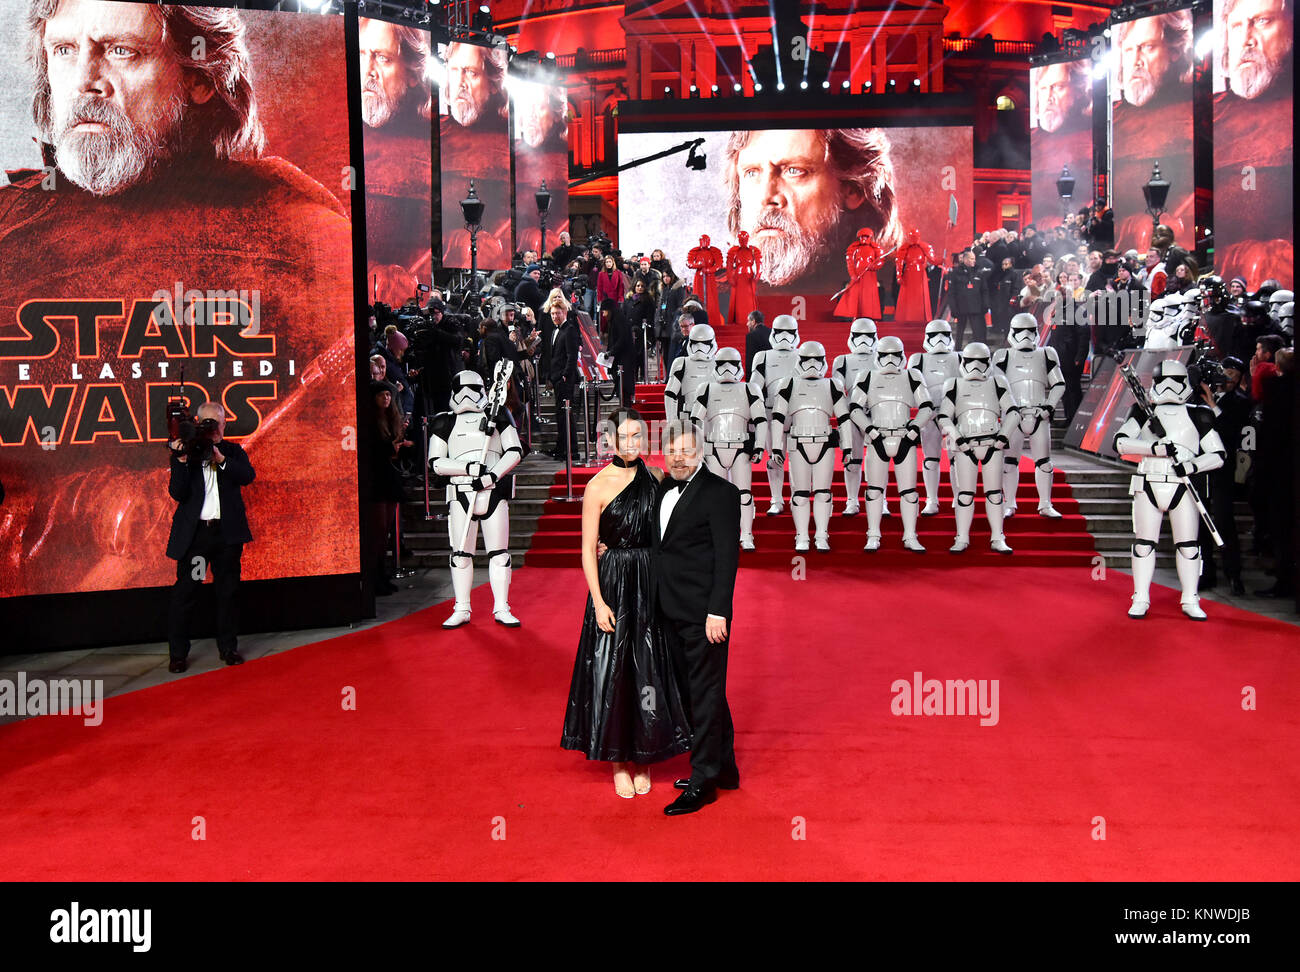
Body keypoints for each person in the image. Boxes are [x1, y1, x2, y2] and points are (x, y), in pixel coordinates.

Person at [562, 410, 692, 797]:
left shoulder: (654, 478)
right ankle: (619, 759)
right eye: (625, 437)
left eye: (639, 435)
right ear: (611, 441)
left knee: (650, 669)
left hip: (651, 581)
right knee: (616, 670)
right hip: (615, 583)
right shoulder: (598, 486)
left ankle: (645, 754)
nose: (633, 443)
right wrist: (599, 602)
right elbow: (587, 550)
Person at [654, 420, 742, 815]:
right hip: (667, 608)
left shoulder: (721, 493)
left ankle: (703, 780)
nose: (678, 458)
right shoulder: (661, 489)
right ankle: (724, 767)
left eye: (686, 451)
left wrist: (718, 612)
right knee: (698, 692)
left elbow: (727, 559)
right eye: (673, 451)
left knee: (703, 695)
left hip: (704, 615)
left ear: (701, 452)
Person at [724, 128, 903, 293]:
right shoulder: (718, 296)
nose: (766, 197)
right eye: (752, 173)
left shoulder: (896, 289)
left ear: (853, 189)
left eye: (794, 171)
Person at [166, 402, 255, 673]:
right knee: (186, 593)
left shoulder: (232, 451)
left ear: (224, 425)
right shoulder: (187, 453)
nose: (212, 429)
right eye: (206, 423)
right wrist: (182, 460)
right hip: (196, 538)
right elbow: (178, 493)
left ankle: (228, 648)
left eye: (216, 424)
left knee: (227, 593)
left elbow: (247, 476)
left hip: (226, 536)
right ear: (196, 424)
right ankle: (178, 654)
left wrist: (221, 459)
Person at [369, 380, 409, 595]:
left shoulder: (391, 419)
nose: (386, 398)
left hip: (388, 479)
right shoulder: (370, 421)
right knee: (377, 533)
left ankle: (382, 576)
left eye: (388, 395)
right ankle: (375, 578)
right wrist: (393, 446)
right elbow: (377, 449)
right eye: (382, 395)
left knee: (384, 532)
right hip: (376, 481)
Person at [547, 294, 581, 460]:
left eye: (557, 313)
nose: (555, 316)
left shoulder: (570, 330)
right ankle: (561, 448)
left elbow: (572, 355)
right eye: (553, 313)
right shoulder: (556, 330)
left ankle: (571, 451)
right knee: (560, 415)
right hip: (557, 378)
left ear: (565, 312)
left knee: (566, 415)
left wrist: (566, 375)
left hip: (564, 379)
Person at [945, 248, 990, 346]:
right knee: (959, 333)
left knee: (978, 332)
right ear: (965, 260)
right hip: (961, 308)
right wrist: (953, 308)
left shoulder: (979, 272)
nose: (973, 260)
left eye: (974, 258)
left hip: (976, 308)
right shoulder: (955, 273)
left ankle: (980, 350)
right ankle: (958, 350)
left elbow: (984, 290)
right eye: (971, 258)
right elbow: (952, 292)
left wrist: (985, 304)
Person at [744, 309, 771, 378]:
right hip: (771, 373)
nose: (747, 324)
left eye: (748, 321)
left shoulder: (751, 335)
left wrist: (748, 380)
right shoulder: (771, 332)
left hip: (757, 376)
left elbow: (750, 359)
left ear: (753, 322)